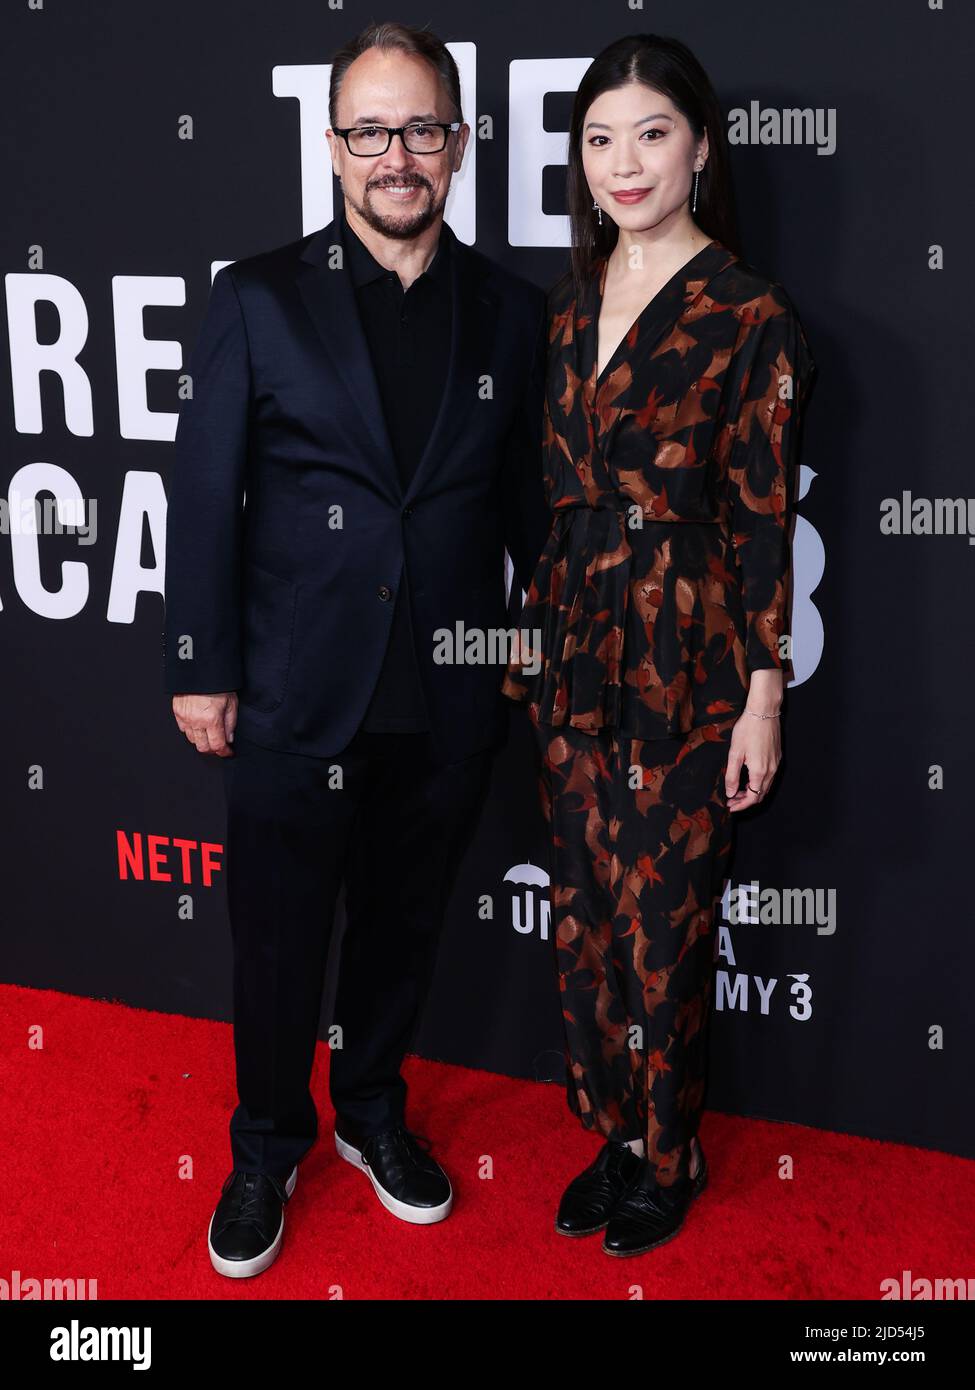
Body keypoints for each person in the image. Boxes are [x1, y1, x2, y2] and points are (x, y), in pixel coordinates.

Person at [163, 21, 549, 1278]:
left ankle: (374, 1114)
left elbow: (526, 517)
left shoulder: (512, 312)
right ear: (333, 148)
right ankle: (268, 1145)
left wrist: (523, 650)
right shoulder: (257, 296)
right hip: (289, 692)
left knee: (402, 930)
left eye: (422, 129)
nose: (399, 155)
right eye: (373, 130)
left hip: (441, 705)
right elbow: (201, 489)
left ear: (460, 143)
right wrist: (199, 661)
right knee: (277, 943)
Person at [502, 32, 817, 1258]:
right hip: (574, 638)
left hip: (688, 652)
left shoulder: (752, 316)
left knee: (666, 920)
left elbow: (764, 520)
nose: (622, 163)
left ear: (700, 146)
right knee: (582, 906)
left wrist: (764, 696)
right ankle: (614, 1137)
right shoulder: (570, 302)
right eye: (598, 139)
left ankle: (669, 1156)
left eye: (649, 134)